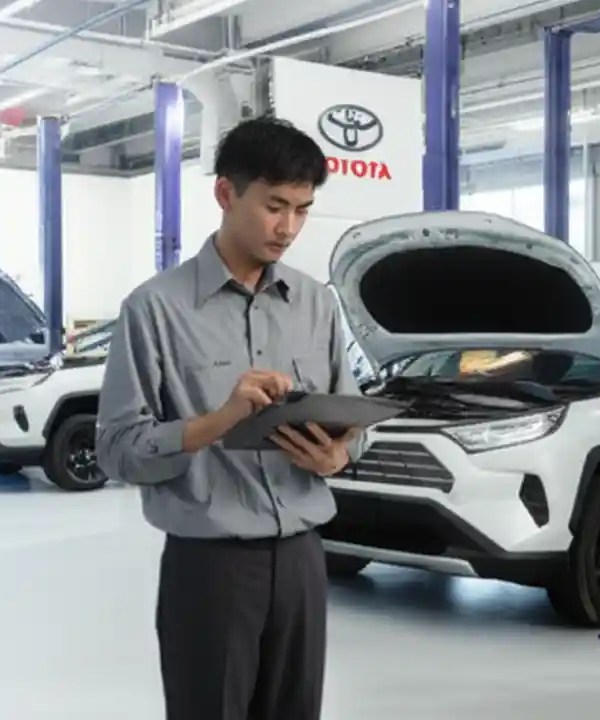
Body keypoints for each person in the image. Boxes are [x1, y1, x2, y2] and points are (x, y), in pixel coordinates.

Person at [95, 116, 368, 720]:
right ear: (225, 193)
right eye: (274, 207)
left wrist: (340, 454)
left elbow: (354, 420)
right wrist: (219, 420)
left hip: (303, 557)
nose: (288, 227)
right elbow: (116, 450)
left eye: (302, 210)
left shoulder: (316, 303)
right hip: (210, 565)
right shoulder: (154, 309)